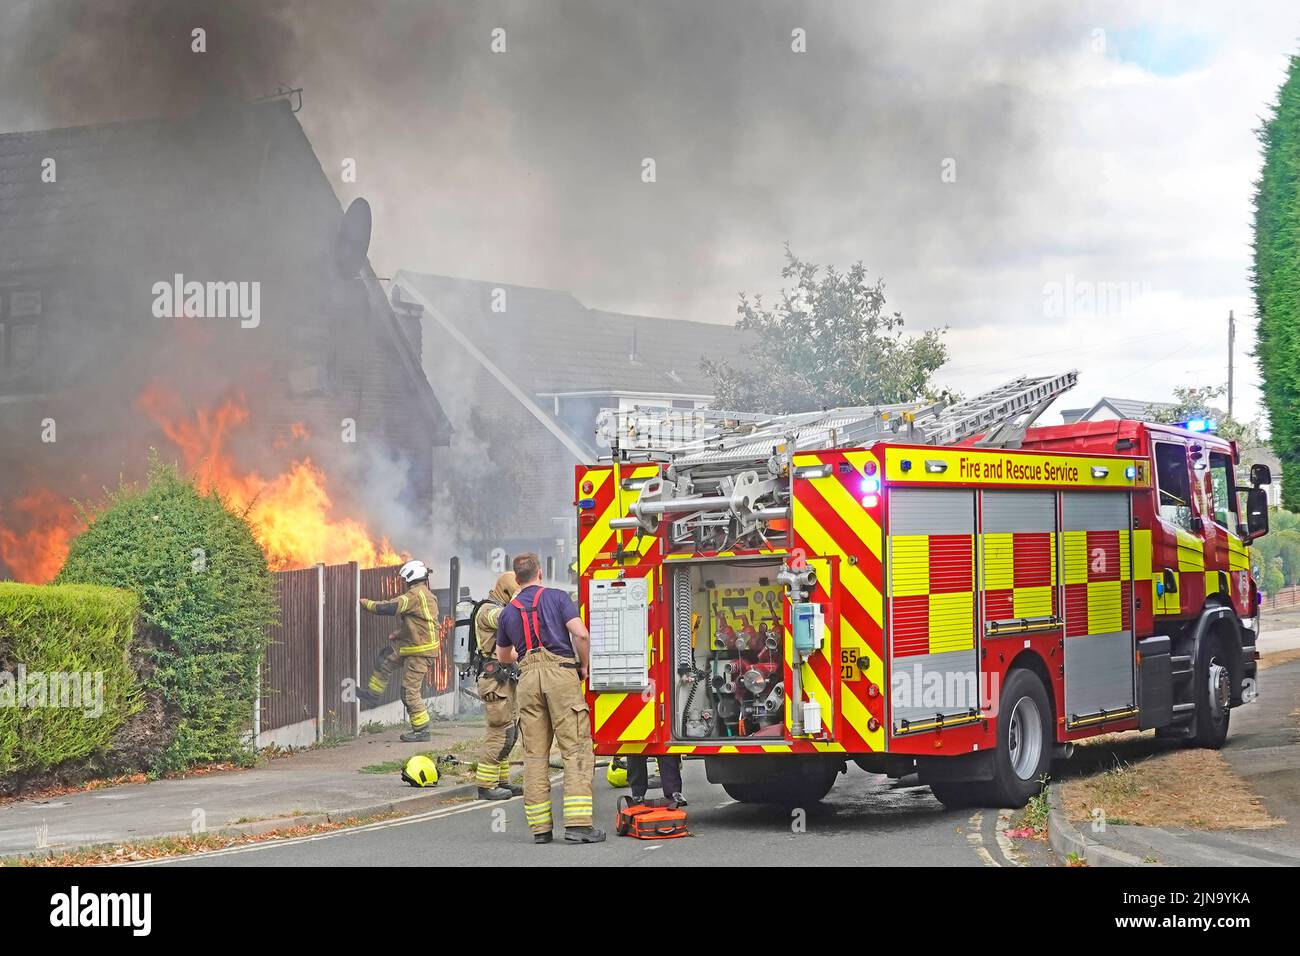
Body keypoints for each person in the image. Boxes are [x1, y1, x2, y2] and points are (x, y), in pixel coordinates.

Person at [496, 552, 604, 845]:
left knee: (534, 756)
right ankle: (578, 826)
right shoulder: (558, 598)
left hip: (528, 680)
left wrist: (527, 657)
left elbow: (503, 656)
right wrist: (583, 667)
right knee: (575, 748)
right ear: (540, 573)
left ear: (517, 580)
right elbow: (580, 635)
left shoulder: (507, 612)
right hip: (562, 675)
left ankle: (540, 830)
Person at [357, 559, 442, 742]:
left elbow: (389, 607)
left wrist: (366, 604)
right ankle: (372, 696)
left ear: (410, 578)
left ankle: (422, 730)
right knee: (385, 661)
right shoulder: (423, 594)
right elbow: (418, 624)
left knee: (408, 691)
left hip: (420, 652)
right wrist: (399, 633)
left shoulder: (415, 595)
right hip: (413, 647)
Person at [473, 571, 522, 800]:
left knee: (509, 733)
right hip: (494, 681)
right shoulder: (487, 610)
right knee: (499, 732)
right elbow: (504, 618)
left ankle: (502, 782)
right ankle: (486, 786)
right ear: (505, 592)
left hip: (504, 678)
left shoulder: (501, 606)